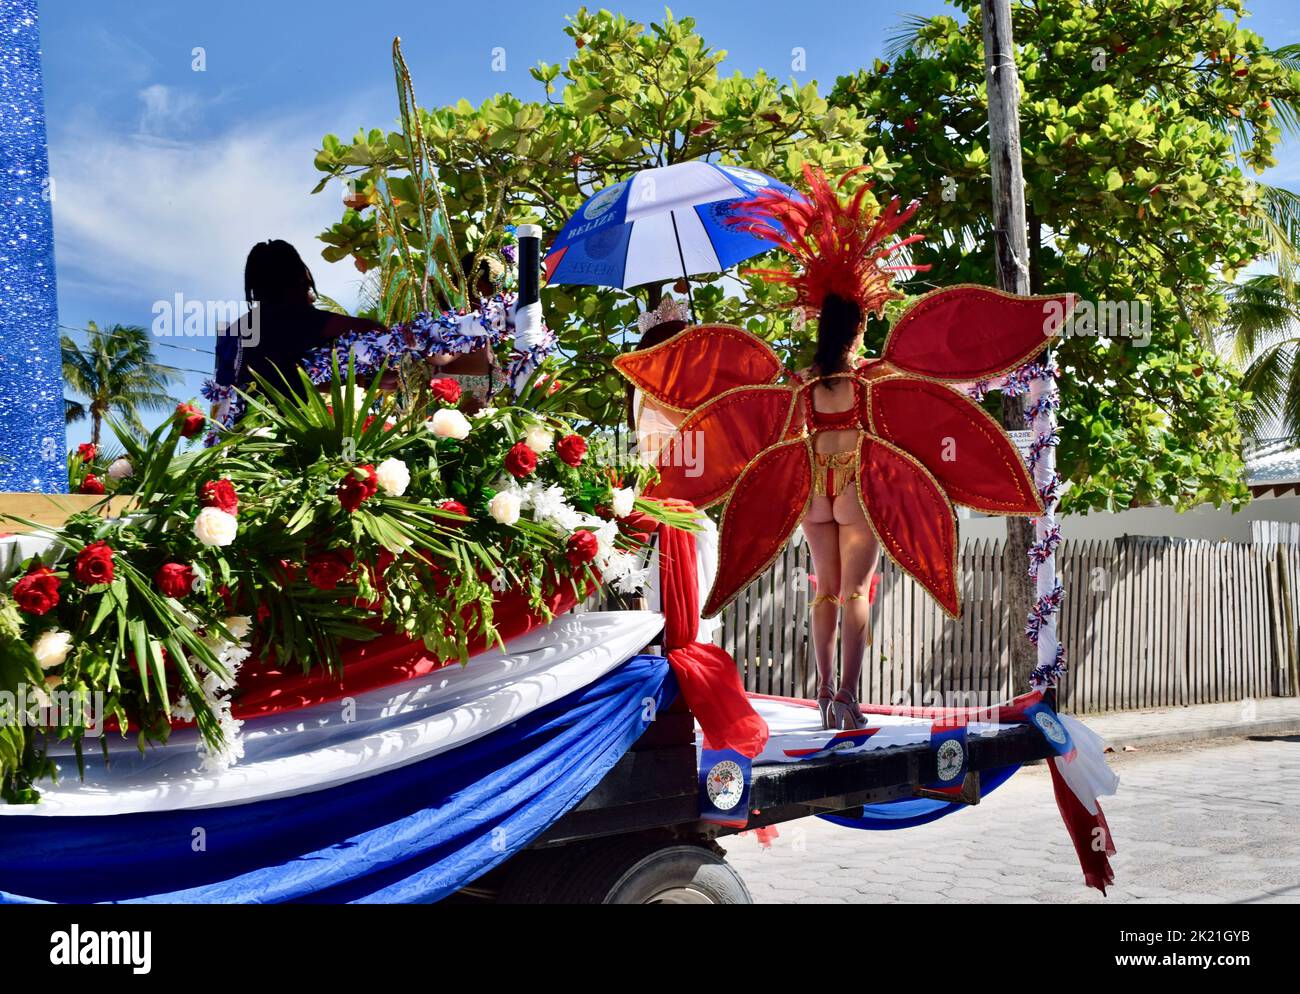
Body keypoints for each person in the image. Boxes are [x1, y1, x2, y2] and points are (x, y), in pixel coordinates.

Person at [614, 165, 1056, 732]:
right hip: (856, 490)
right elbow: (931, 389)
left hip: (810, 490)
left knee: (823, 592)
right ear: (859, 327)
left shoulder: (797, 381)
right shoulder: (872, 377)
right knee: (855, 592)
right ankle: (848, 693)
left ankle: (823, 690)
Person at [212, 240, 385, 412]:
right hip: (283, 433)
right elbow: (373, 330)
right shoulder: (291, 316)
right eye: (307, 287)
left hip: (242, 431)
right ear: (296, 280)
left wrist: (365, 381)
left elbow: (282, 381)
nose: (311, 296)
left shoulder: (232, 332)